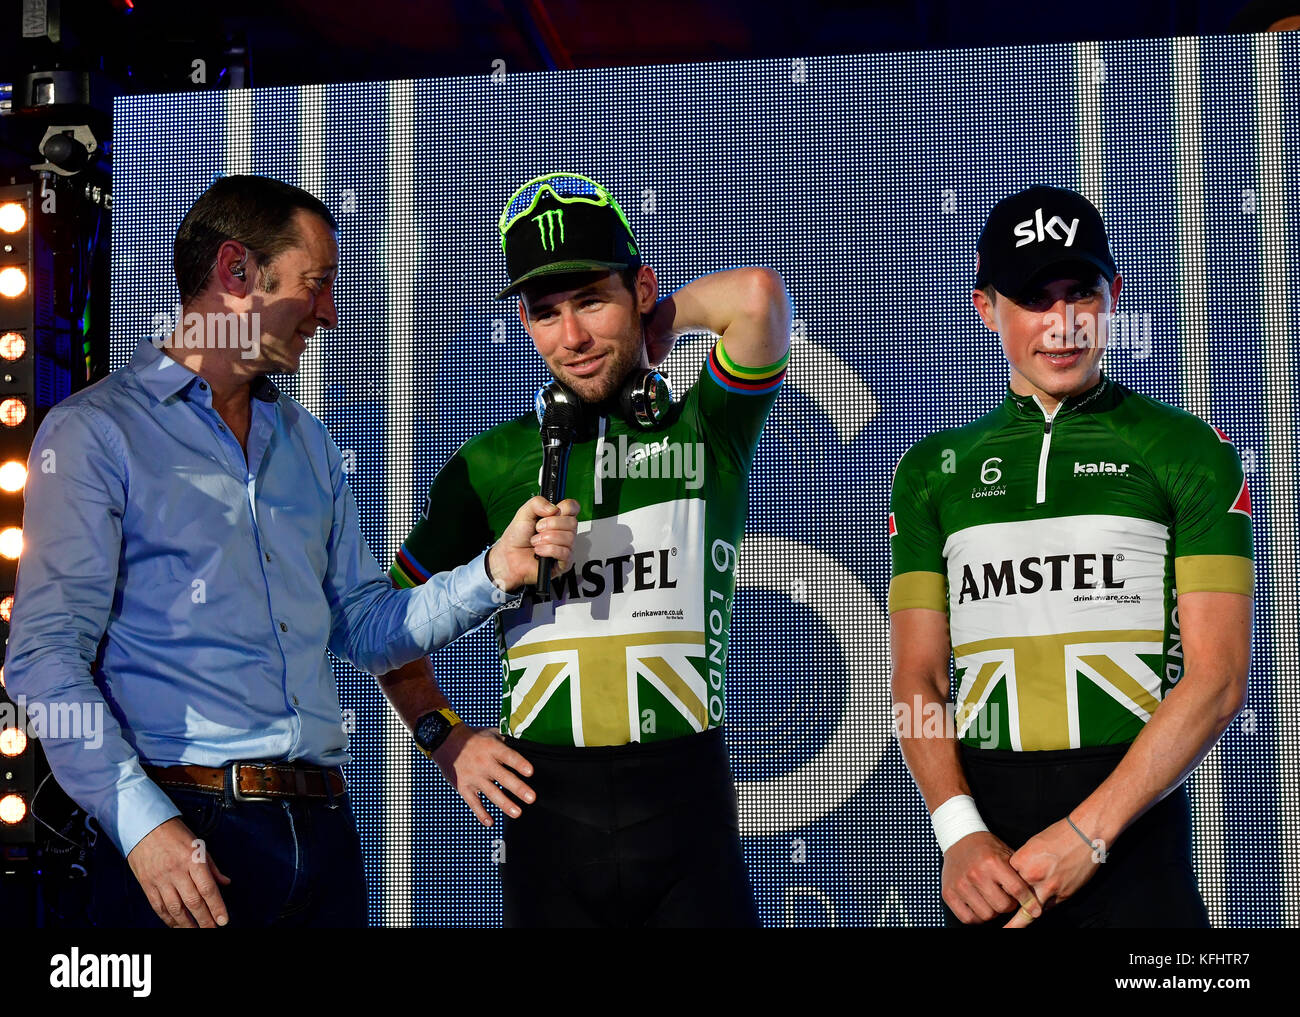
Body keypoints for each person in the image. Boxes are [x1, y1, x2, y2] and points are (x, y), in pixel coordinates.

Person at [3, 174, 577, 929]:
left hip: (325, 833)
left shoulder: (307, 442)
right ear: (237, 271)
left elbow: (367, 625)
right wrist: (142, 825)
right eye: (318, 284)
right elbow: (42, 660)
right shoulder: (95, 433)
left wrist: (493, 572)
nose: (330, 314)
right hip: (186, 838)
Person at [380, 173, 790, 927]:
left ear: (641, 287)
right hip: (547, 820)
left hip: (687, 807)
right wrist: (445, 736)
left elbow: (759, 296)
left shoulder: (705, 427)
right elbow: (384, 626)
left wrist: (666, 321)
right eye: (545, 314)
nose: (571, 338)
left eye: (593, 302)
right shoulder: (491, 462)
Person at [889, 185, 1254, 928]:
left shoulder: (1190, 451)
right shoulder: (932, 468)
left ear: (1113, 295)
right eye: (1033, 298)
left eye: (1081, 293)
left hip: (1136, 845)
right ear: (985, 307)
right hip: (986, 860)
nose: (1062, 325)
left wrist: (1090, 833)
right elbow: (917, 679)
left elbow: (1218, 679)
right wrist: (956, 832)